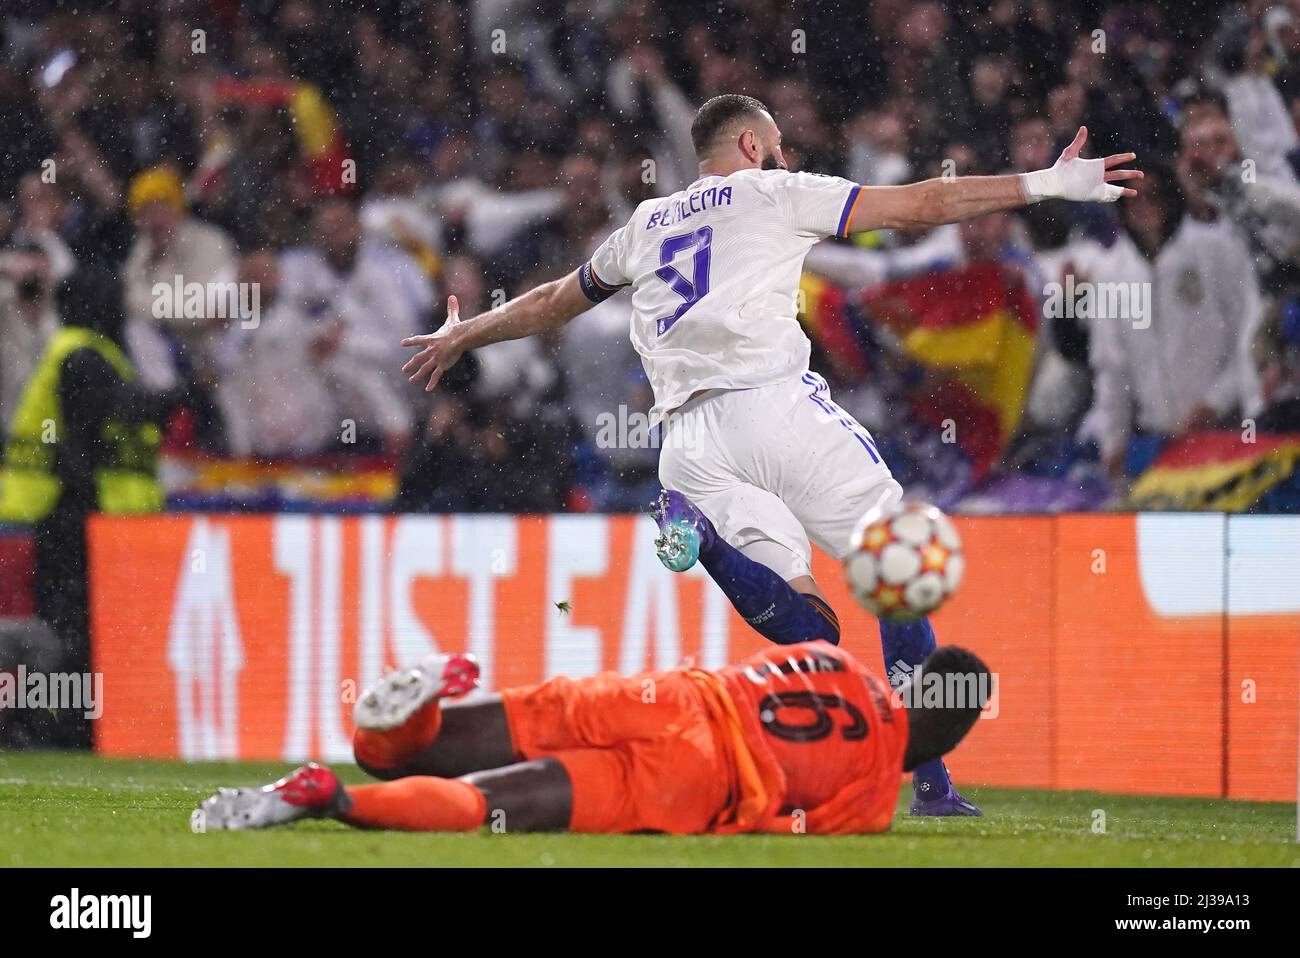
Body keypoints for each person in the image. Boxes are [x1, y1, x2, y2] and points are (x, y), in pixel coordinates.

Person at [398, 94, 1140, 816]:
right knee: (896, 559)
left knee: (813, 630)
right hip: (772, 405)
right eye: (777, 143)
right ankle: (931, 782)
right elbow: (921, 204)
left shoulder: (646, 223)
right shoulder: (775, 192)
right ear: (752, 148)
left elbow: (557, 299)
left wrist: (467, 333)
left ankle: (707, 543)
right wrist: (1045, 183)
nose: (785, 155)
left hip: (685, 445)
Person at [198, 643, 990, 835]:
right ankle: (332, 798)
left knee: (466, 737)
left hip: (667, 696)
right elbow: (795, 825)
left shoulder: (839, 660)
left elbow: (756, 669)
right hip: (701, 774)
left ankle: (410, 719)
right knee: (492, 804)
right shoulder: (880, 792)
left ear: (914, 685)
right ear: (941, 739)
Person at [0, 268, 175, 747]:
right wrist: (174, 399)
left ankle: (60, 724)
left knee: (71, 630)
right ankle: (61, 728)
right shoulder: (84, 356)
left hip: (63, 516)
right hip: (76, 519)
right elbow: (91, 435)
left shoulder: (83, 353)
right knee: (75, 631)